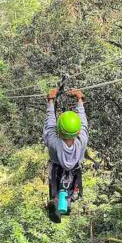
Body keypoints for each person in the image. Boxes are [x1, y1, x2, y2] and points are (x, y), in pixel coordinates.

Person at [43, 87, 89, 222]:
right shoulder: (82, 141)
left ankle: (63, 201)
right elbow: (83, 123)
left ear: (59, 129)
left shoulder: (54, 142)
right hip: (71, 173)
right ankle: (63, 201)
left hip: (59, 171)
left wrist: (51, 100)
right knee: (60, 189)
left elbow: (50, 125)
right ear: (77, 131)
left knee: (60, 189)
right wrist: (80, 99)